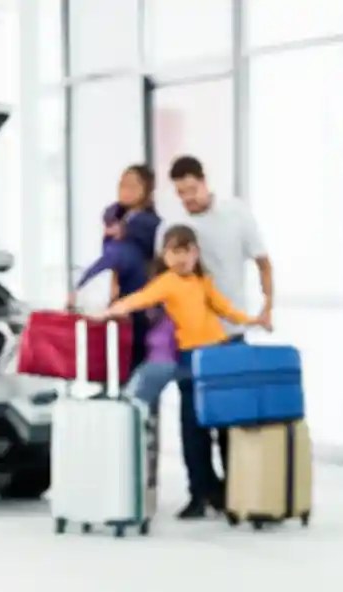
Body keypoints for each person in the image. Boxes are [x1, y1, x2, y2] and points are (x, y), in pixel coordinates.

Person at [96, 225, 272, 518]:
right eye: (174, 252)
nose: (181, 258)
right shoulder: (167, 282)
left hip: (217, 357)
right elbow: (140, 298)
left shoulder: (203, 282)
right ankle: (200, 494)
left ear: (196, 253)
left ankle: (229, 493)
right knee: (193, 429)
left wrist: (254, 320)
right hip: (190, 361)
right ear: (164, 256)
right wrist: (111, 311)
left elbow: (226, 309)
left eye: (186, 251)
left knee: (225, 427)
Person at [158, 155, 274, 519]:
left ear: (204, 181)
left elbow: (263, 262)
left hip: (230, 336)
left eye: (191, 190)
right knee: (191, 420)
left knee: (230, 419)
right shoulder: (173, 226)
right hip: (190, 341)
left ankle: (233, 493)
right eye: (180, 193)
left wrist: (267, 307)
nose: (187, 198)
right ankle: (200, 493)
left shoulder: (235, 213)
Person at [69, 164, 161, 373]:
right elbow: (107, 260)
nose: (126, 190)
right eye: (122, 185)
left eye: (133, 185)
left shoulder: (148, 224)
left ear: (147, 190)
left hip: (137, 300)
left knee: (133, 359)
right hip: (113, 299)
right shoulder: (115, 218)